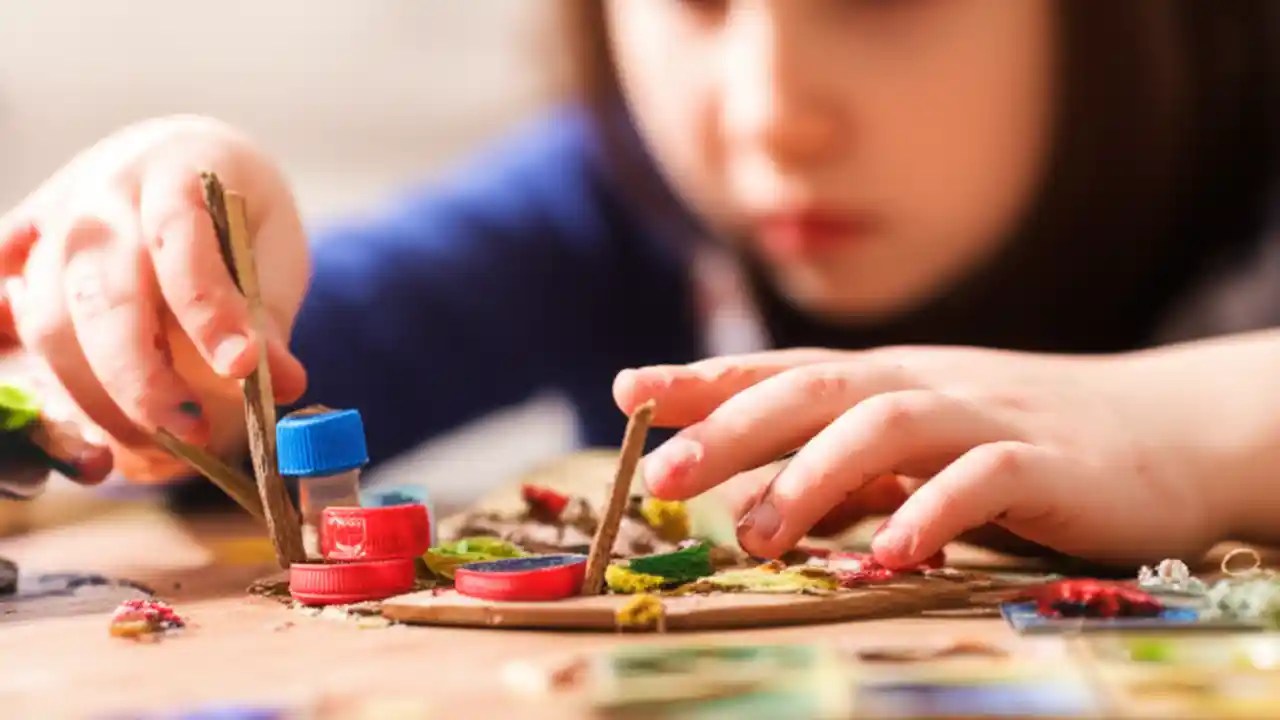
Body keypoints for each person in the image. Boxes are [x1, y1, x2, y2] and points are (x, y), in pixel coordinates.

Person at [1, 0, 1277, 568]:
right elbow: (226, 417)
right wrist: (162, 293)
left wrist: (1196, 429)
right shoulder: (617, 203)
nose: (771, 116)